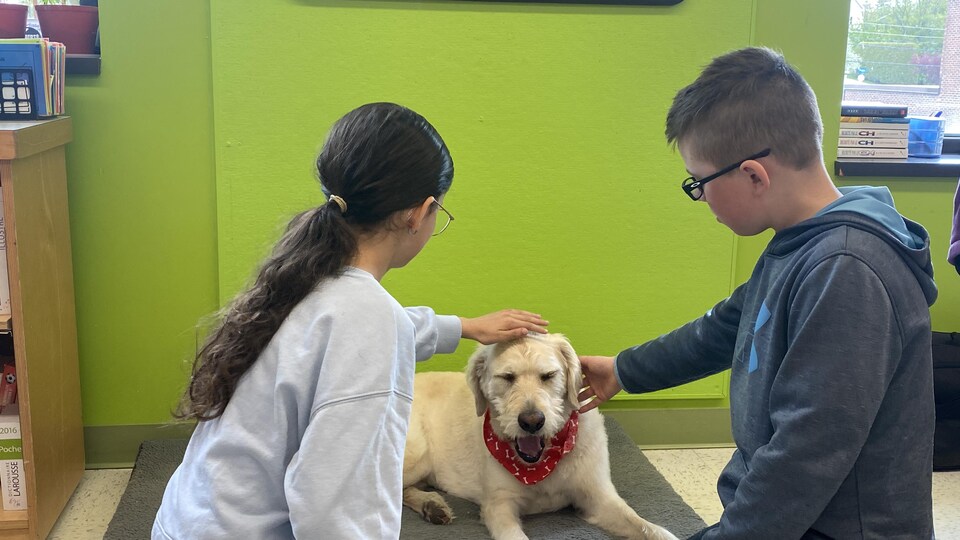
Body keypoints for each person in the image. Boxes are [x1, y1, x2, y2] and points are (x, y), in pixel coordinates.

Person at [578, 47, 938, 540]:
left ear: (753, 175)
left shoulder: (846, 269)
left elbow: (804, 459)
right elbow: (724, 328)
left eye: (698, 182)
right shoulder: (800, 243)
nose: (700, 197)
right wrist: (623, 370)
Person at [152, 102, 548, 539]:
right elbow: (331, 508)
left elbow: (365, 331)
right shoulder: (368, 320)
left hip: (186, 521)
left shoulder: (305, 276)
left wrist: (464, 327)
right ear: (420, 213)